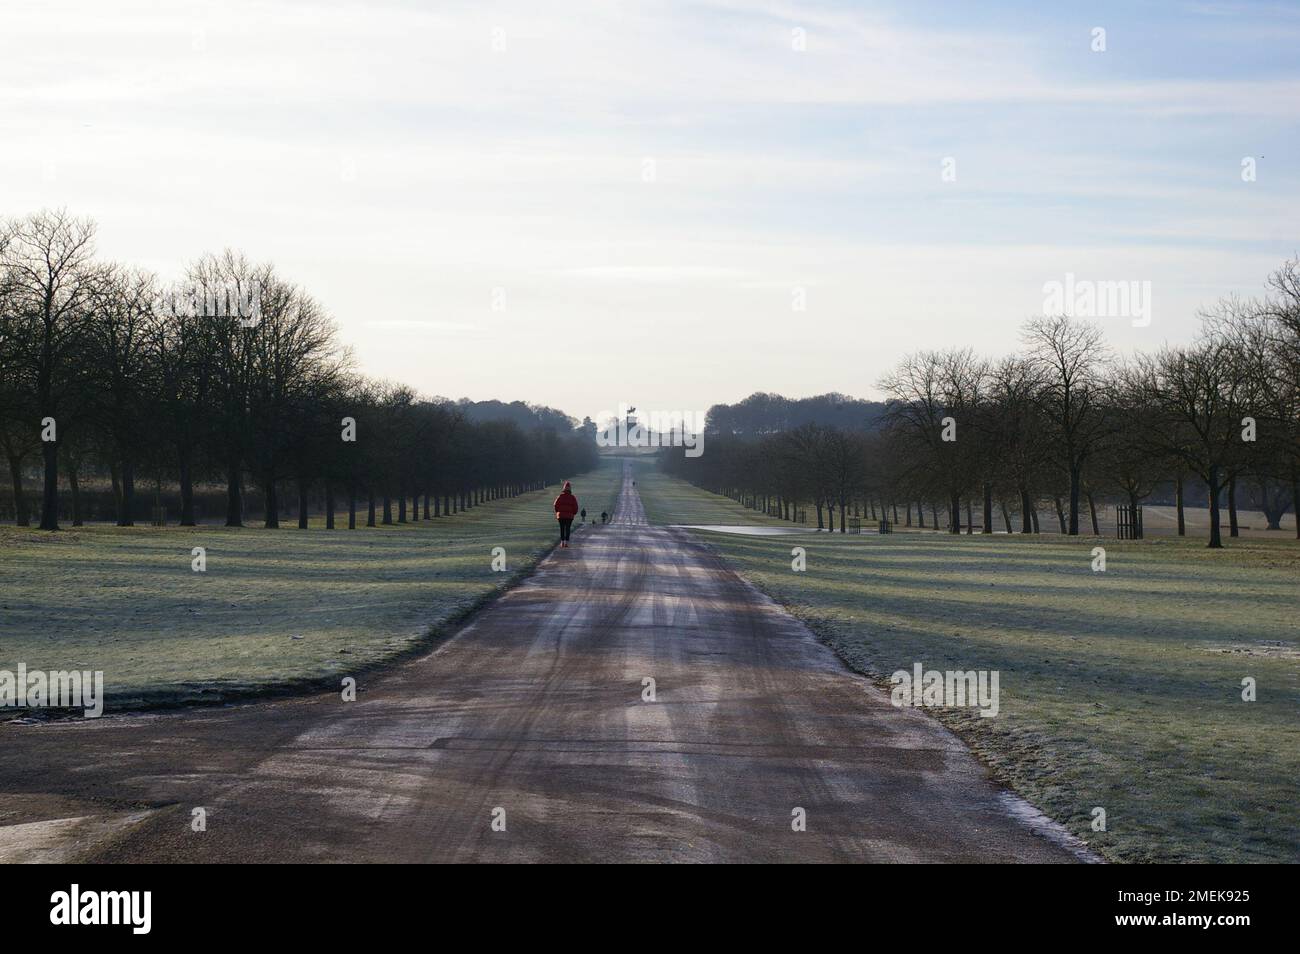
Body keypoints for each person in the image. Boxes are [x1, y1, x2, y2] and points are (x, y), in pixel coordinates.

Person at [553, 481, 579, 548]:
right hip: (569, 516)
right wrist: (574, 513)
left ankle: (562, 542)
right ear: (570, 489)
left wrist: (557, 512)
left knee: (562, 529)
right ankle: (566, 542)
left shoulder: (560, 496)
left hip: (561, 515)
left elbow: (555, 505)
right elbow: (575, 507)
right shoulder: (572, 497)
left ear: (564, 489)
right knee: (567, 528)